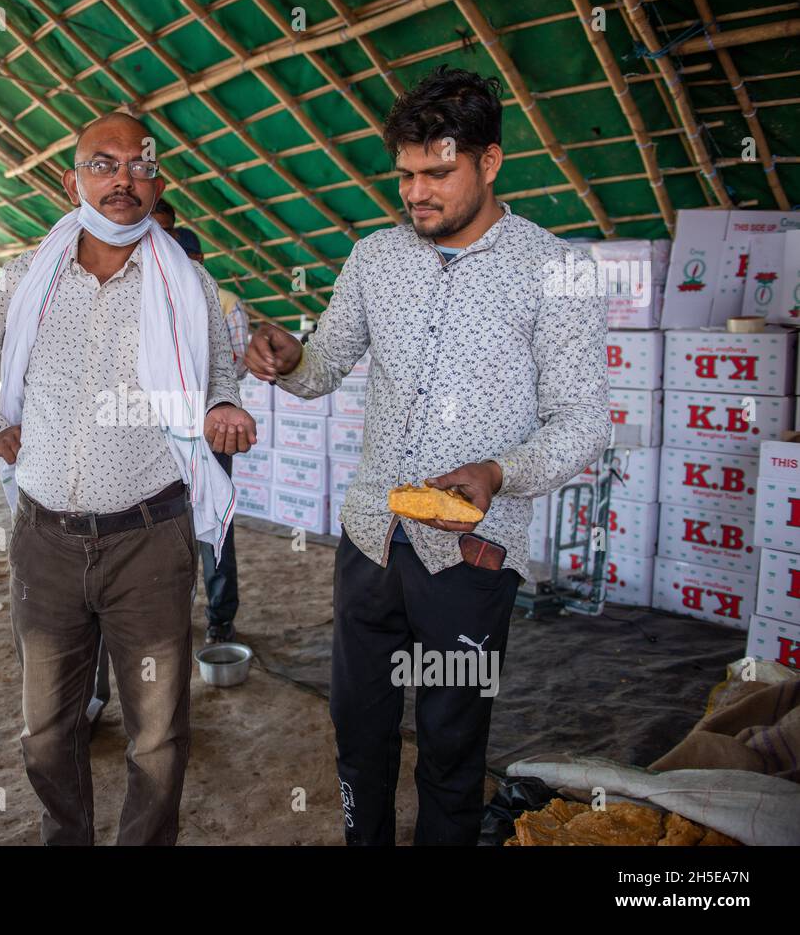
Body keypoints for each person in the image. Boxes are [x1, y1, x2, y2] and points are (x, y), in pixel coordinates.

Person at [246, 66, 609, 845]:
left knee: (451, 745)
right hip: (372, 539)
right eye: (406, 174)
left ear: (489, 161)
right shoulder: (376, 258)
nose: (417, 193)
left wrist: (498, 472)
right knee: (359, 730)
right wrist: (288, 356)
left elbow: (583, 421)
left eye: (438, 172)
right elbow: (324, 364)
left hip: (470, 558)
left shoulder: (558, 270)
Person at [0, 111, 256, 845]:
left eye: (139, 164)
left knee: (157, 736)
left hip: (150, 540)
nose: (123, 178)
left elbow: (221, 379)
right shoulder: (27, 279)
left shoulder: (189, 285)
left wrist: (221, 410)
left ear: (158, 182)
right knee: (48, 732)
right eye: (103, 162)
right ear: (72, 180)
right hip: (45, 541)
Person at [174, 226, 249, 644]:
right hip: (165, 431)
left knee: (215, 522)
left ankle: (220, 617)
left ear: (201, 262)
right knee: (167, 525)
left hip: (209, 427)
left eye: (191, 262)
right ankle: (170, 612)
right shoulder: (155, 296)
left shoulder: (225, 303)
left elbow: (234, 366)